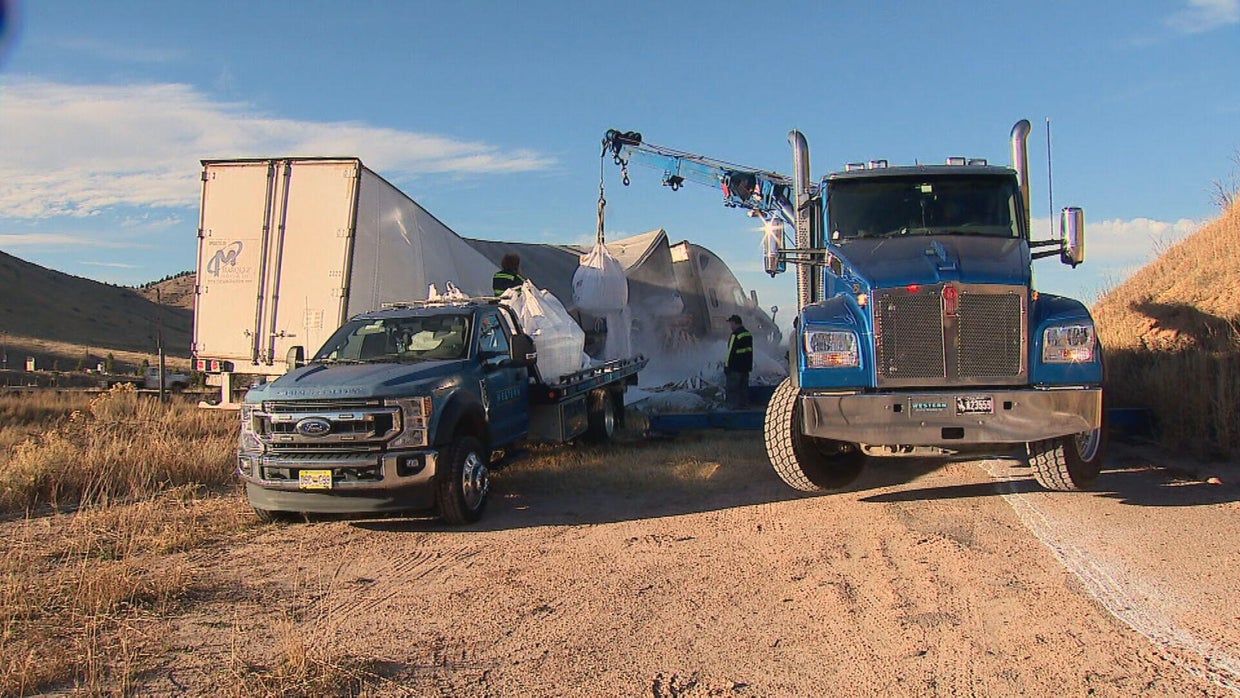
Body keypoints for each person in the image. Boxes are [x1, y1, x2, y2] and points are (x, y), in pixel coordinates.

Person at [724, 314, 753, 410]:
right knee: (743, 388)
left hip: (735, 367)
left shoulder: (735, 335)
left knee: (732, 389)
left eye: (731, 324)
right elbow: (749, 351)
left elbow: (730, 351)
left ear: (734, 323)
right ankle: (744, 407)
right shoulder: (748, 334)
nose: (730, 326)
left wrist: (727, 366)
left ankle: (733, 408)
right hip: (746, 367)